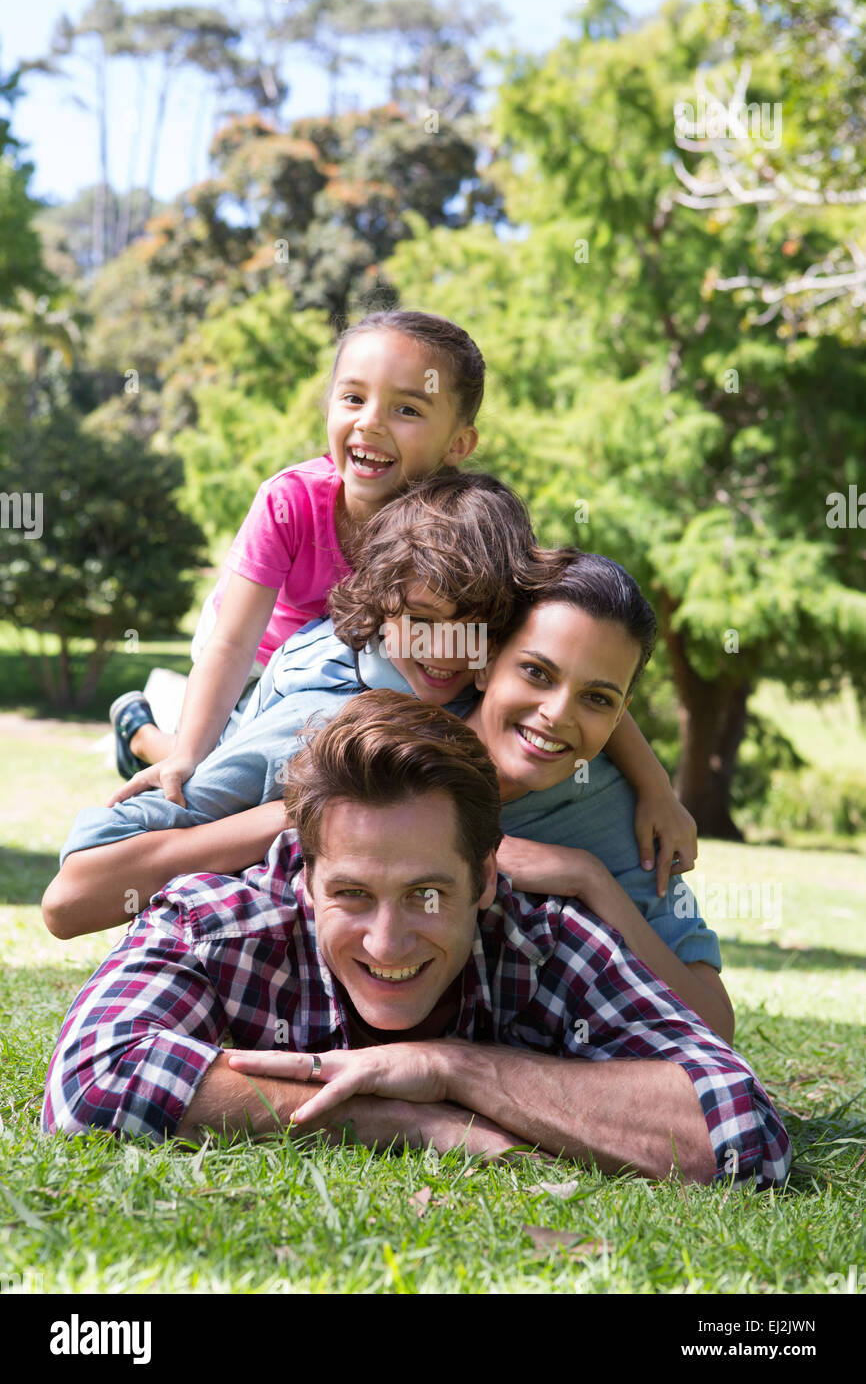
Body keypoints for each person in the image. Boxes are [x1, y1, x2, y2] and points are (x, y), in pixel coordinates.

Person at [42, 482, 731, 1039]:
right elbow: (70, 902)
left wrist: (592, 877)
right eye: (537, 674)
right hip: (277, 697)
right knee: (195, 757)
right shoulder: (335, 733)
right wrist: (294, 818)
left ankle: (149, 729)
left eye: (598, 700)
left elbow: (714, 1025)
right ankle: (146, 732)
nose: (556, 716)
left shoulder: (604, 808)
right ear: (493, 666)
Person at [42, 691, 790, 1191]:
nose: (388, 940)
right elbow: (91, 1082)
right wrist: (405, 1119)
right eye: (352, 894)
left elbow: (741, 1129)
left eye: (427, 895)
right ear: (305, 878)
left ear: (488, 881)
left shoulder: (544, 943)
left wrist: (448, 1067)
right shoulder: (219, 922)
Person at [109, 309, 484, 792]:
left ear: (458, 443)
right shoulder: (289, 502)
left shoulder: (463, 526)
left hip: (346, 661)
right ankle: (141, 734)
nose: (369, 422)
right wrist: (185, 755)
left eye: (407, 409)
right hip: (256, 652)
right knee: (228, 771)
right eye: (353, 398)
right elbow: (232, 643)